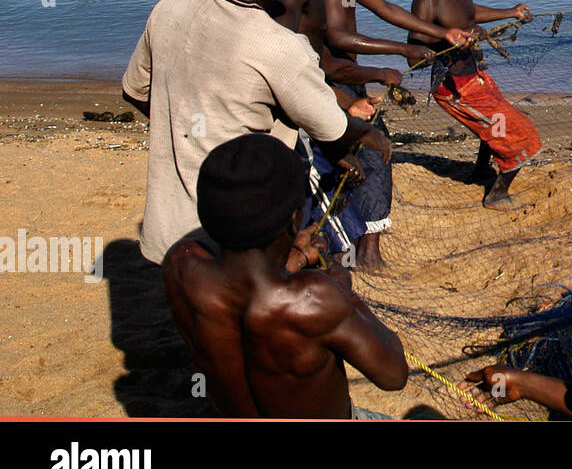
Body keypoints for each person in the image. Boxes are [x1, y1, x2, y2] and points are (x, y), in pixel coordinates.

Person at [121, 0, 389, 266]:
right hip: (239, 242)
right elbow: (332, 130)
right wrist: (364, 132)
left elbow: (135, 91)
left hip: (167, 239)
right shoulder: (281, 47)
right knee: (331, 275)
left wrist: (190, 130)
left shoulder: (172, 4)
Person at [288, 0, 471, 266]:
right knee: (366, 159)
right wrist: (390, 59)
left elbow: (386, 9)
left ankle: (360, 248)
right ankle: (361, 252)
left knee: (366, 159)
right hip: (333, 80)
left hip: (344, 76)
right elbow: (336, 39)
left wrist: (442, 32)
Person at [162, 134, 408, 418]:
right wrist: (343, 291)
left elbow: (250, 294)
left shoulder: (180, 266)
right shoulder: (316, 299)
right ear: (295, 220)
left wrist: (297, 259)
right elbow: (393, 375)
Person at [409, 0, 540, 211]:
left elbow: (469, 12)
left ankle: (480, 172)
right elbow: (413, 54)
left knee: (498, 122)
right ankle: (496, 195)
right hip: (454, 88)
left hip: (476, 77)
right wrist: (450, 39)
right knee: (524, 136)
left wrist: (511, 12)